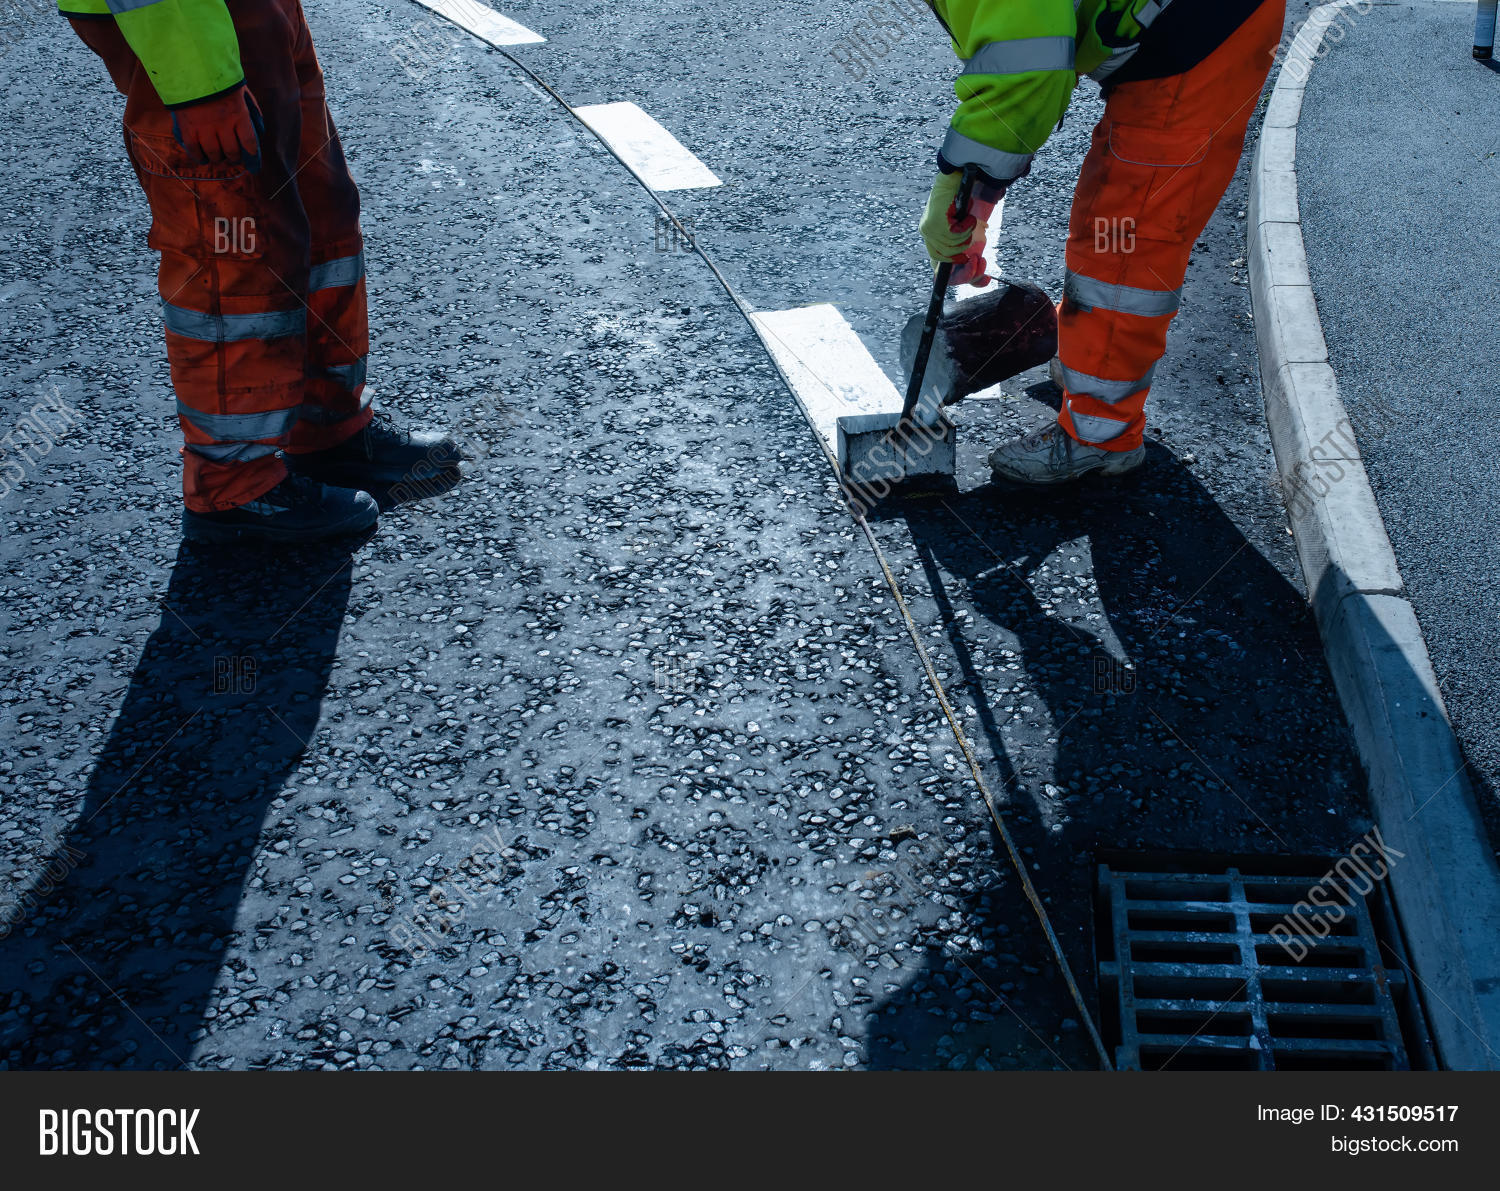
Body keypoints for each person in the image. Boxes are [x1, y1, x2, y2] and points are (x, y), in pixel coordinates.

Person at [59, 0, 461, 541]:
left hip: (257, 13)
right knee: (236, 254)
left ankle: (327, 429)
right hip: (188, 24)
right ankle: (232, 484)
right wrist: (198, 80)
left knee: (321, 218)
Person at [919, 0, 1285, 486]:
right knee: (1114, 229)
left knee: (1123, 245)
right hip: (1187, 27)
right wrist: (977, 198)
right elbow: (1031, 46)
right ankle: (1088, 371)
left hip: (1194, 38)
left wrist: (967, 182)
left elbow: (1029, 72)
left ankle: (1100, 437)